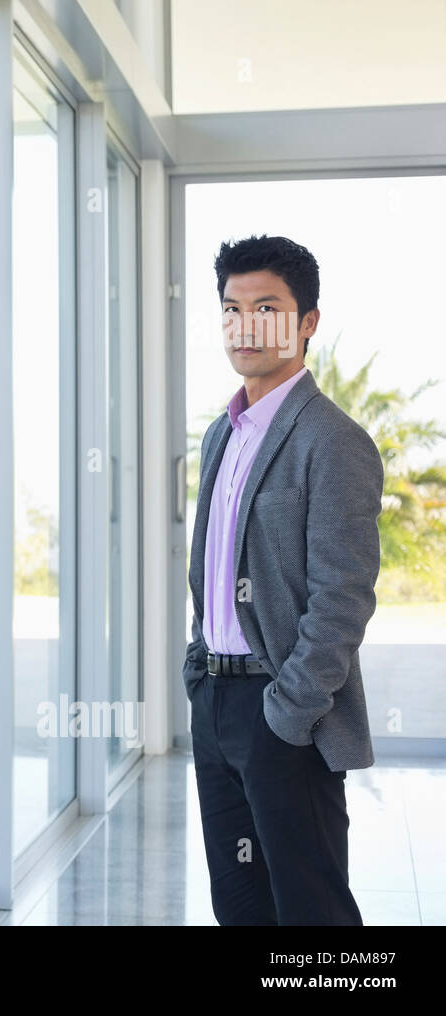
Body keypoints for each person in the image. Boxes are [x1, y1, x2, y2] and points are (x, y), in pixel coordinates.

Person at [184, 234, 383, 925]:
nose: (246, 326)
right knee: (238, 905)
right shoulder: (223, 434)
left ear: (306, 323)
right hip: (215, 703)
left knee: (310, 911)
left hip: (283, 710)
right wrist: (198, 672)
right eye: (232, 309)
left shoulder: (332, 439)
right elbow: (212, 571)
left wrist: (289, 712)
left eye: (266, 307)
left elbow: (344, 595)